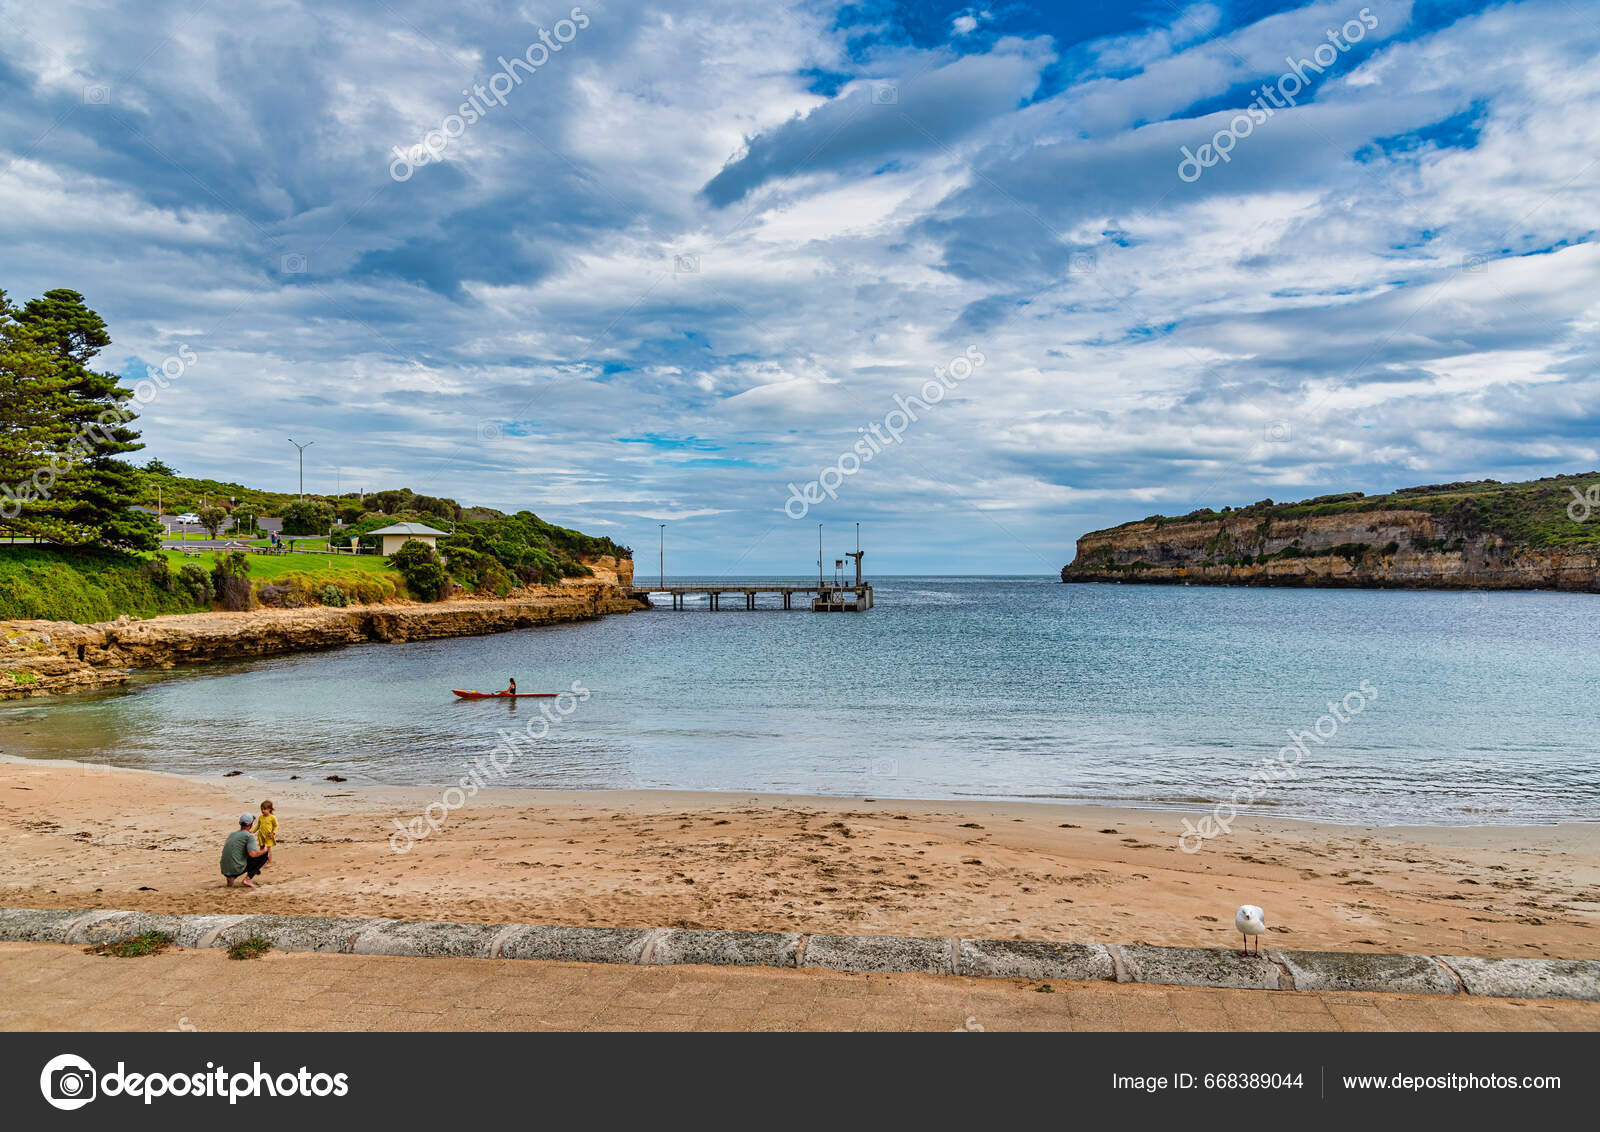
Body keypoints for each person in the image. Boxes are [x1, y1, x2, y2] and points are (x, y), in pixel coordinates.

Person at [219, 813, 269, 888]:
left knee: (240, 855)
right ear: (251, 824)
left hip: (224, 868)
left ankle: (231, 877)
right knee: (264, 855)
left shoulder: (232, 834)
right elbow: (253, 854)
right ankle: (247, 879)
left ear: (240, 823)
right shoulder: (249, 836)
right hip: (235, 868)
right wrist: (264, 850)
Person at [251, 800, 278, 869]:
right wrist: (253, 831)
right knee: (261, 849)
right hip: (261, 835)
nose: (263, 811)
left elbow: (275, 826)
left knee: (268, 849)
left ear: (270, 809)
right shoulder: (260, 817)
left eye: (264, 809)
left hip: (268, 836)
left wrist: (273, 833)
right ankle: (262, 861)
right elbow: (258, 825)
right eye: (261, 809)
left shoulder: (272, 817)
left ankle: (269, 862)